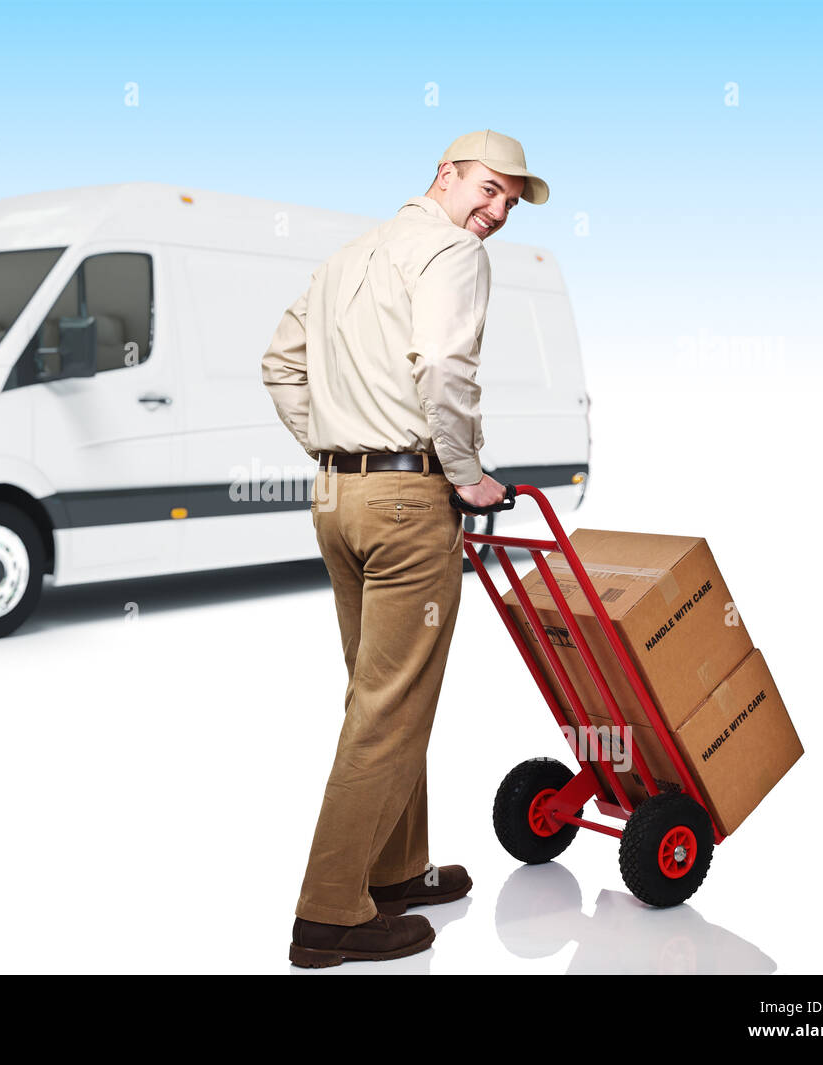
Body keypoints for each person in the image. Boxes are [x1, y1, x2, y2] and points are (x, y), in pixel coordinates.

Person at [261, 129, 550, 967]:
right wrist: (465, 473)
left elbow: (280, 363)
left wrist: (338, 447)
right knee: (389, 705)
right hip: (407, 503)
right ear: (445, 175)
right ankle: (330, 913)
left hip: (339, 502)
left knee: (384, 692)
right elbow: (445, 364)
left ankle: (395, 870)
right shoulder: (452, 253)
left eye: (507, 203)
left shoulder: (349, 257)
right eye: (488, 189)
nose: (494, 213)